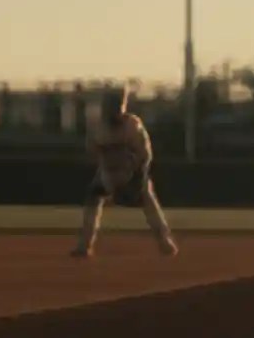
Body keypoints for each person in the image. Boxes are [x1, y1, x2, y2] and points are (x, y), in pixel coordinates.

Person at [70, 87, 178, 258]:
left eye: (116, 104)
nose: (112, 109)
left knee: (147, 196)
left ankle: (165, 242)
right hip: (107, 172)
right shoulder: (98, 126)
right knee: (93, 197)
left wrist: (138, 177)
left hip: (130, 171)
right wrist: (107, 163)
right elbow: (92, 152)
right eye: (110, 104)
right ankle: (85, 246)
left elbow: (145, 155)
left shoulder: (132, 125)